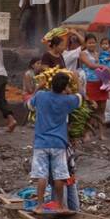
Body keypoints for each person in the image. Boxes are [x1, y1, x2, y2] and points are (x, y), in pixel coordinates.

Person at [28, 71, 83, 209]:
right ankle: (60, 205)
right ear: (64, 88)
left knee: (42, 175)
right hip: (59, 143)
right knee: (60, 175)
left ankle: (40, 205)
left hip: (41, 142)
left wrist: (38, 88)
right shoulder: (67, 100)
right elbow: (81, 97)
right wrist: (77, 82)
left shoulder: (41, 96)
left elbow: (29, 104)